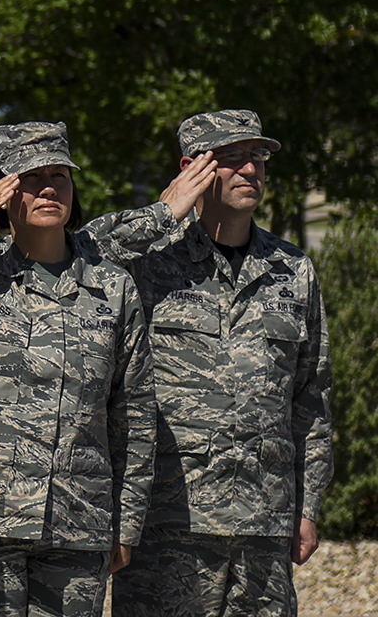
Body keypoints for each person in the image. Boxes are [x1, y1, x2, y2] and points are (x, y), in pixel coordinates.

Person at [0, 122, 156, 617]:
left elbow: (134, 414)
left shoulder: (112, 288)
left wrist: (125, 523)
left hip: (78, 522)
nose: (49, 188)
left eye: (60, 175)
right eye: (31, 176)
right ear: (1, 189)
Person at [106, 110, 333, 617]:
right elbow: (77, 253)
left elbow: (311, 395)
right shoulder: (146, 261)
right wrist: (163, 213)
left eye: (258, 157)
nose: (250, 170)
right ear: (193, 168)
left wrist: (308, 505)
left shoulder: (291, 270)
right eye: (232, 158)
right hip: (170, 521)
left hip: (264, 524)